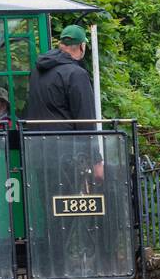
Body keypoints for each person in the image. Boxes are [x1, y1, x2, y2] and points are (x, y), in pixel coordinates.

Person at [24, 24, 103, 179]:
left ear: (61, 45)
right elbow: (86, 120)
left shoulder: (37, 71)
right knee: (67, 201)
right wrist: (95, 160)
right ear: (82, 46)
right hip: (67, 154)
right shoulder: (76, 74)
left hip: (38, 152)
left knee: (46, 200)